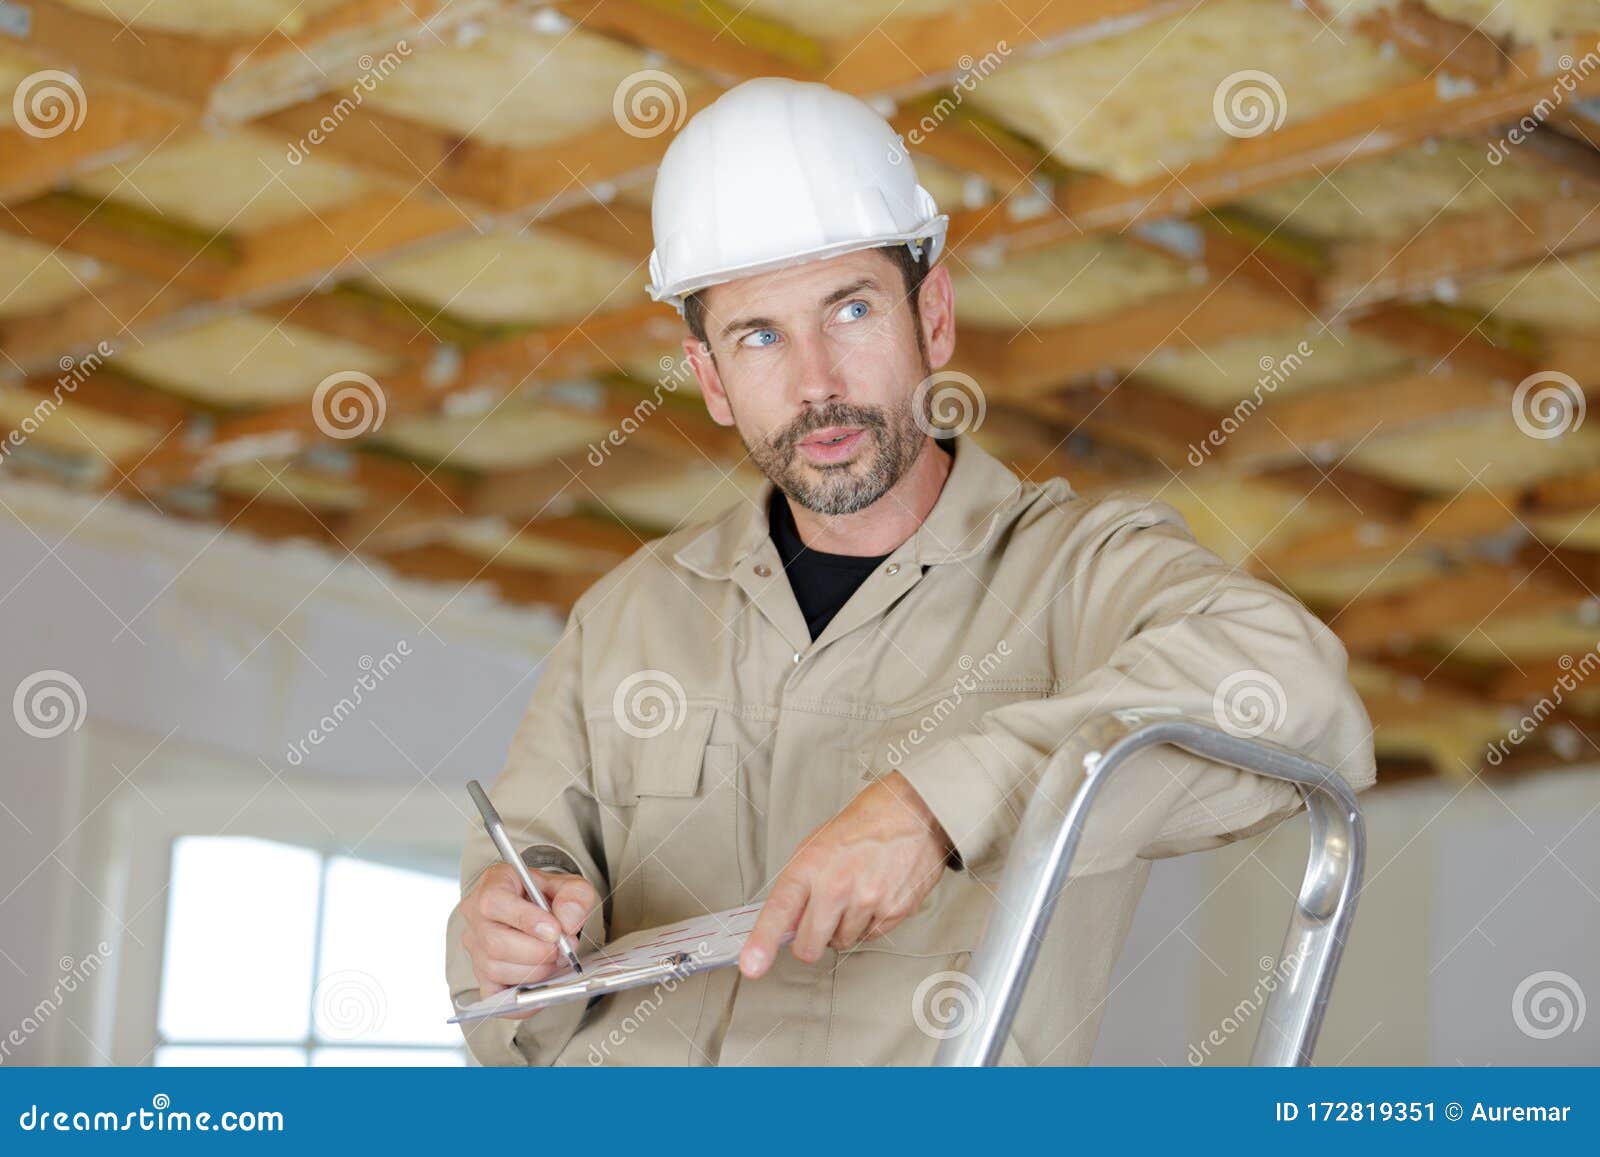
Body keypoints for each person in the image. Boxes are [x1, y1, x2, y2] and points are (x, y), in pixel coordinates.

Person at [446, 76, 1375, 1066]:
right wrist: (510, 928)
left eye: (848, 309)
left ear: (932, 316)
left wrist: (934, 806)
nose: (816, 381)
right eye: (758, 335)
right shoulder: (626, 617)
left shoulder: (1077, 575)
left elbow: (1299, 691)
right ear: (712, 379)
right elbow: (500, 989)